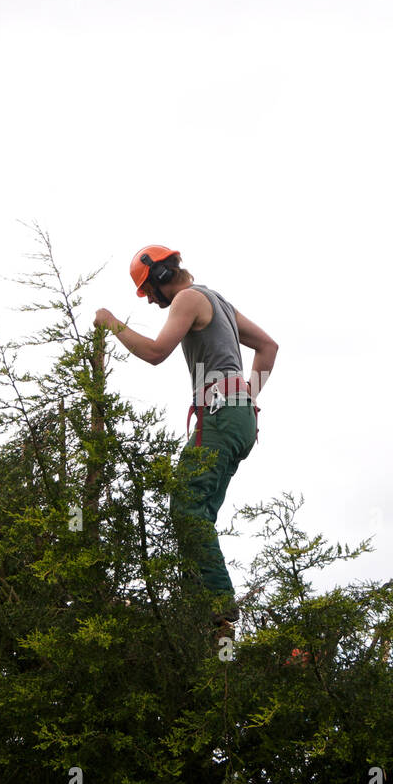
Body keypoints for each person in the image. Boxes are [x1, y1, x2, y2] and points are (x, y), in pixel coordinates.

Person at [93, 245, 279, 636]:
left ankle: (217, 607)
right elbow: (269, 346)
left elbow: (157, 352)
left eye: (149, 291)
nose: (152, 302)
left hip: (221, 415)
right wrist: (247, 397)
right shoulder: (219, 301)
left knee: (186, 507)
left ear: (159, 279)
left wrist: (111, 323)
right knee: (200, 514)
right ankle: (203, 613)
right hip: (240, 419)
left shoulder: (188, 299)